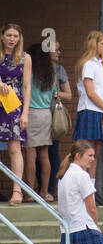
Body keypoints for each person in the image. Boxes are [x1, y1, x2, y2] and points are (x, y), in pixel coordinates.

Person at [73, 31, 103, 202]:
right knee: (85, 153)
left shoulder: (100, 65)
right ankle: (81, 190)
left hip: (100, 112)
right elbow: (91, 93)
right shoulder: (88, 64)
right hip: (89, 110)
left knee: (95, 154)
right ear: (94, 44)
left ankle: (91, 192)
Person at [0, 22, 31, 204]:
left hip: (14, 104)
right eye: (9, 35)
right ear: (2, 36)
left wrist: (25, 113)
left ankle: (17, 190)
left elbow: (27, 86)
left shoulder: (24, 57)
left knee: (14, 147)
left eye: (15, 36)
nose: (12, 39)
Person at [22, 41, 56, 202]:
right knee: (44, 154)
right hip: (46, 114)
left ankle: (29, 192)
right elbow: (55, 94)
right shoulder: (51, 73)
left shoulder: (30, 73)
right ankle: (44, 191)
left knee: (30, 153)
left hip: (32, 113)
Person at [46, 40, 72, 201]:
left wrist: (55, 94)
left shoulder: (59, 69)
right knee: (35, 153)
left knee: (52, 152)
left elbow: (68, 95)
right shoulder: (35, 66)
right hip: (37, 112)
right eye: (55, 50)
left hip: (53, 115)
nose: (59, 52)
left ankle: (50, 189)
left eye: (59, 49)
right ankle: (39, 187)